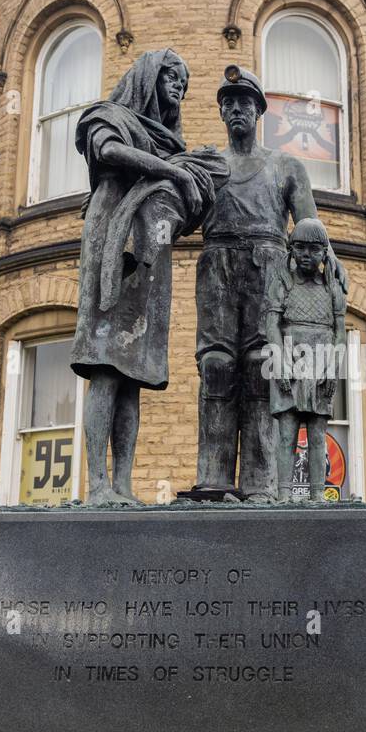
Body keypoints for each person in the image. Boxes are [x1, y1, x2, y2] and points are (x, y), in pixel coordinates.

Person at [70, 49, 228, 505]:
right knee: (104, 364)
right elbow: (107, 150)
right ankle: (96, 484)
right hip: (111, 247)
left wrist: (175, 172)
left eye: (184, 82)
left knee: (132, 372)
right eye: (172, 78)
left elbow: (192, 187)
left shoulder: (170, 143)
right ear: (148, 78)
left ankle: (122, 484)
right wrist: (167, 170)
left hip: (150, 256)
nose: (179, 88)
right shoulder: (111, 116)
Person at [193, 65, 345, 501]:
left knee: (265, 368)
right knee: (217, 368)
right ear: (222, 112)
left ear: (259, 112)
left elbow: (310, 225)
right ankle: (214, 478)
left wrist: (332, 264)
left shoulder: (285, 166)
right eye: (229, 103)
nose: (237, 110)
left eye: (245, 103)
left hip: (268, 267)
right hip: (218, 268)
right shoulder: (207, 165)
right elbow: (175, 209)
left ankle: (261, 484)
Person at [264, 218, 348, 503]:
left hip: (320, 364)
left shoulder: (333, 290)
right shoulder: (282, 285)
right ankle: (284, 494)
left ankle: (317, 494)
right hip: (288, 360)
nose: (306, 255)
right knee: (286, 433)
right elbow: (271, 325)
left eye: (313, 249)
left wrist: (332, 370)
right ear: (291, 250)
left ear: (324, 253)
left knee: (317, 436)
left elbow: (339, 334)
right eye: (299, 248)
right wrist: (280, 362)